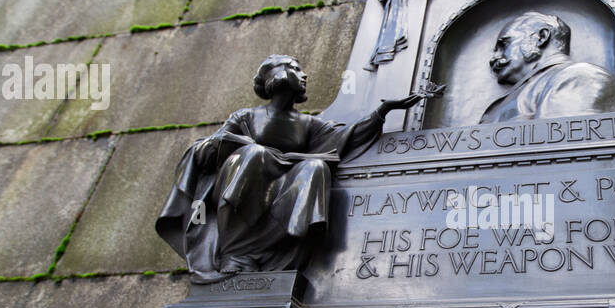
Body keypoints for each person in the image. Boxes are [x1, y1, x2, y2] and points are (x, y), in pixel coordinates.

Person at [156, 54, 424, 282]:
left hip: (281, 193)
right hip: (243, 185)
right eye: (296, 69)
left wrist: (382, 112)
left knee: (316, 166)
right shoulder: (246, 117)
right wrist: (227, 146)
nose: (304, 74)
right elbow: (208, 150)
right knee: (255, 154)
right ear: (278, 74)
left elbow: (346, 137)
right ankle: (235, 254)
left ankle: (276, 251)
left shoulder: (307, 124)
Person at [479, 11, 615, 122]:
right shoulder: (528, 89)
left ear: (541, 37)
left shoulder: (581, 77)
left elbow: (565, 150)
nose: (494, 58)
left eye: (504, 45)